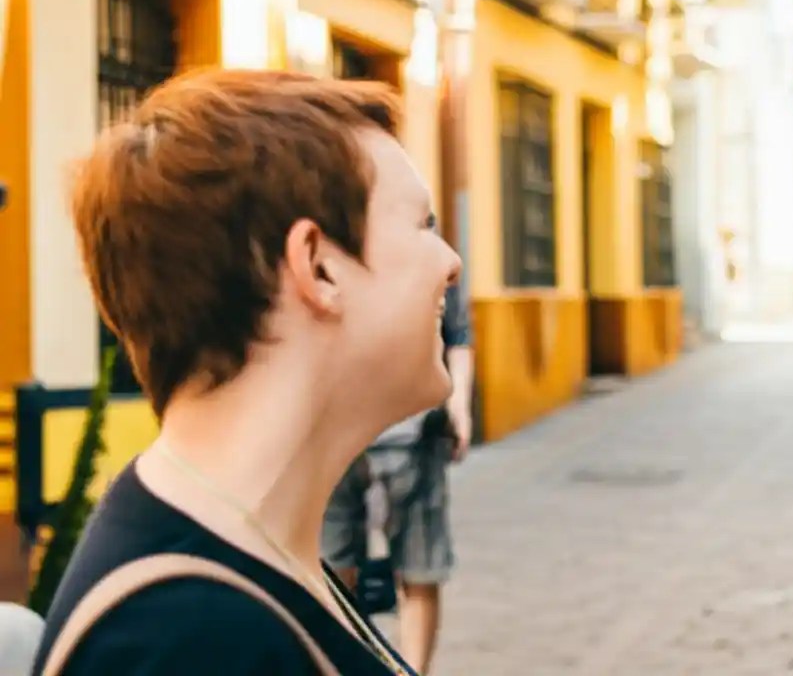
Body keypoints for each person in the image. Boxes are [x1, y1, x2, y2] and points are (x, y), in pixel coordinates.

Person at [31, 69, 461, 674]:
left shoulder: (251, 554)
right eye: (422, 225)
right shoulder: (184, 641)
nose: (451, 263)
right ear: (318, 268)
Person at [322, 277, 473, 675]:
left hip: (410, 431)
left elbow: (456, 332)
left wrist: (459, 407)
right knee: (334, 573)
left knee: (415, 568)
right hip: (338, 433)